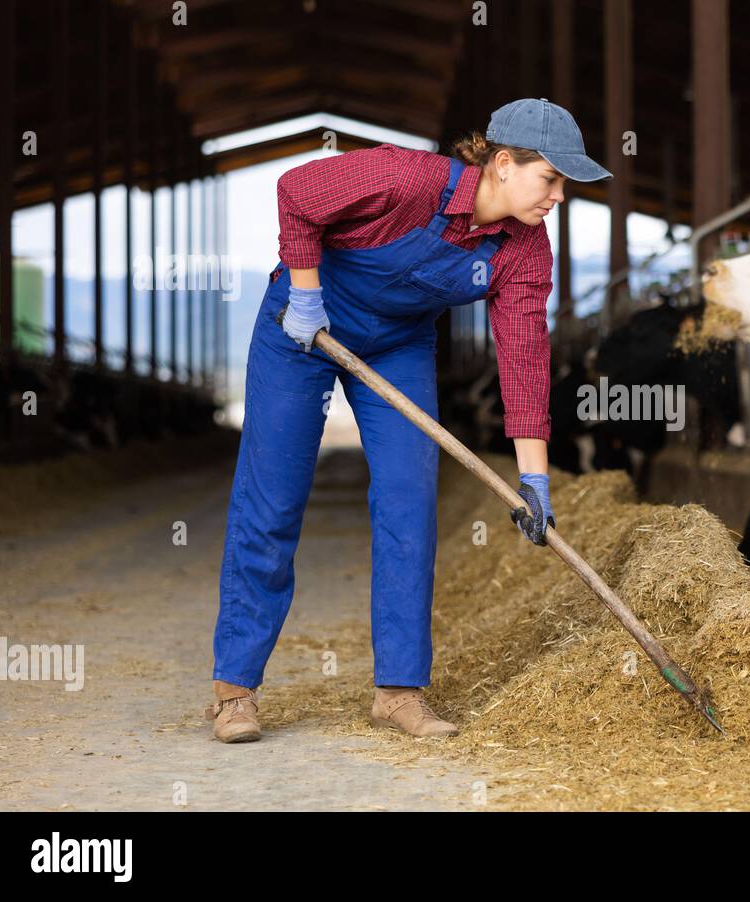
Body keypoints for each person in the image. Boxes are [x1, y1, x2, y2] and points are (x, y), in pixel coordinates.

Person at [205, 99, 613, 743]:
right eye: (551, 179)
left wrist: (536, 483)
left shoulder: (525, 251)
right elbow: (298, 191)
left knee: (409, 497)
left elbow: (526, 360)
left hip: (397, 346)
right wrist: (307, 295)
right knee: (273, 496)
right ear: (504, 165)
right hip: (303, 327)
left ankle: (399, 691)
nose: (559, 197)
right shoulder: (408, 179)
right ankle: (235, 691)